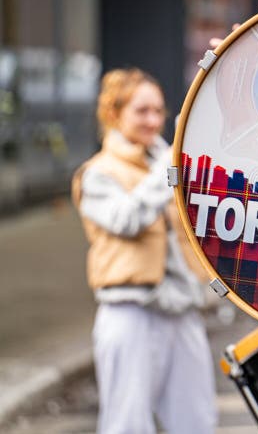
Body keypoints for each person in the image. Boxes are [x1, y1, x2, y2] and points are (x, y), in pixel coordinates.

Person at [71, 68, 217, 434]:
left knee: (196, 422)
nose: (153, 120)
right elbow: (126, 219)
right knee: (127, 425)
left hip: (182, 308)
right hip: (130, 312)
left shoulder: (168, 162)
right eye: (141, 111)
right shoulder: (97, 173)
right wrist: (170, 165)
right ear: (113, 113)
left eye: (158, 111)